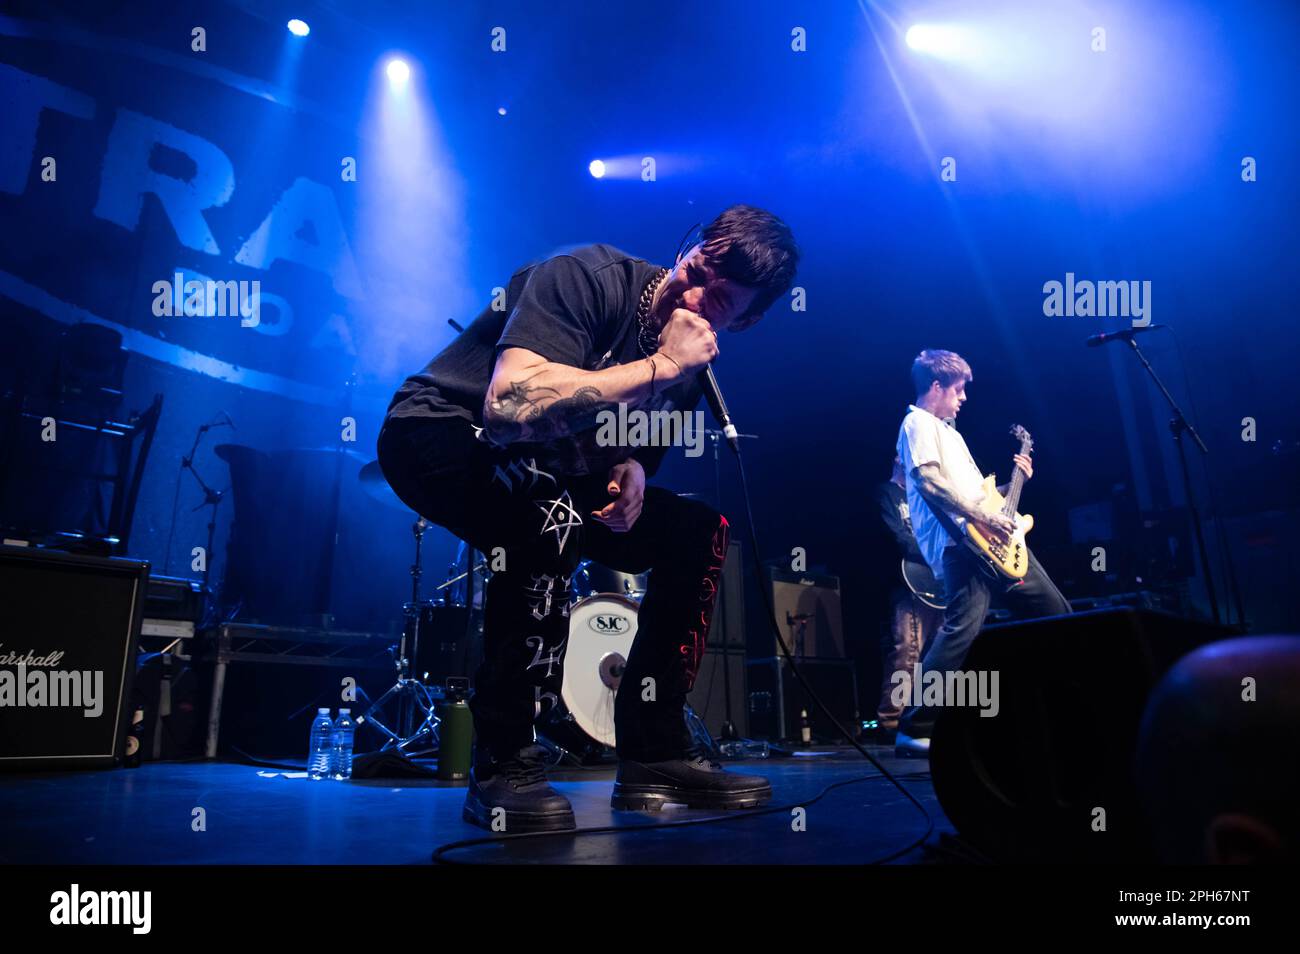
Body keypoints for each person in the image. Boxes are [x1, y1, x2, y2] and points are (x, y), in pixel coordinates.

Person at [377, 205, 799, 831]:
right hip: (439, 430)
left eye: (723, 301)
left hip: (547, 472)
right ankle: (503, 761)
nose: (696, 295)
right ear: (690, 248)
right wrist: (659, 367)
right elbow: (507, 406)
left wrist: (626, 476)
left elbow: (616, 452)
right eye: (700, 270)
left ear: (749, 320)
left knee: (695, 531)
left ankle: (655, 751)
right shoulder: (587, 277)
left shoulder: (691, 369)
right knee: (547, 512)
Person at [894, 349, 1071, 757]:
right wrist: (982, 516)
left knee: (1057, 614)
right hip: (963, 548)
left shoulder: (950, 434)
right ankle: (914, 726)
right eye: (958, 389)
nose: (963, 398)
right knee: (960, 629)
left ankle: (1056, 707)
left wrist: (1012, 486)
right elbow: (927, 482)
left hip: (994, 543)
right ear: (936, 386)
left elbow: (978, 500)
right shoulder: (918, 422)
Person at [864, 454, 944, 744]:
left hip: (936, 582)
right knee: (907, 650)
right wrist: (933, 554)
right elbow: (895, 535)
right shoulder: (886, 493)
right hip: (906, 581)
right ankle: (890, 720)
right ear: (898, 458)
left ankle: (930, 717)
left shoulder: (923, 496)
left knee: (937, 652)